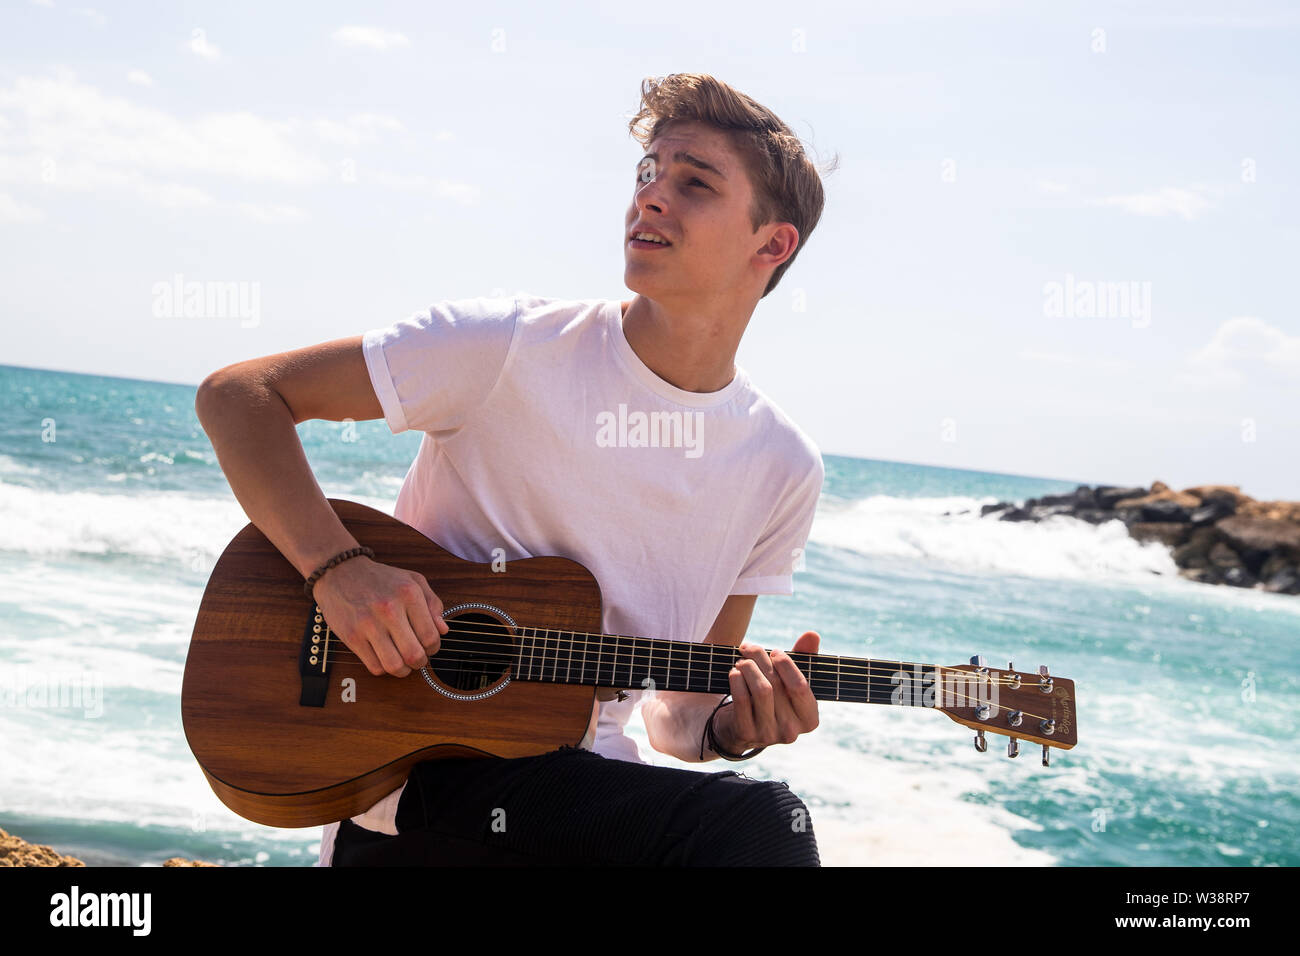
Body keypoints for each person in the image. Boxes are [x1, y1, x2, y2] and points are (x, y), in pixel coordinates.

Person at [195, 73, 836, 866]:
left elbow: (677, 714)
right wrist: (338, 568)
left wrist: (736, 727)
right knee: (763, 826)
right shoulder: (508, 347)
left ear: (772, 244)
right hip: (420, 792)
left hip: (581, 802)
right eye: (647, 174)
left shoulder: (779, 467)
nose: (651, 199)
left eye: (693, 183)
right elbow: (241, 398)